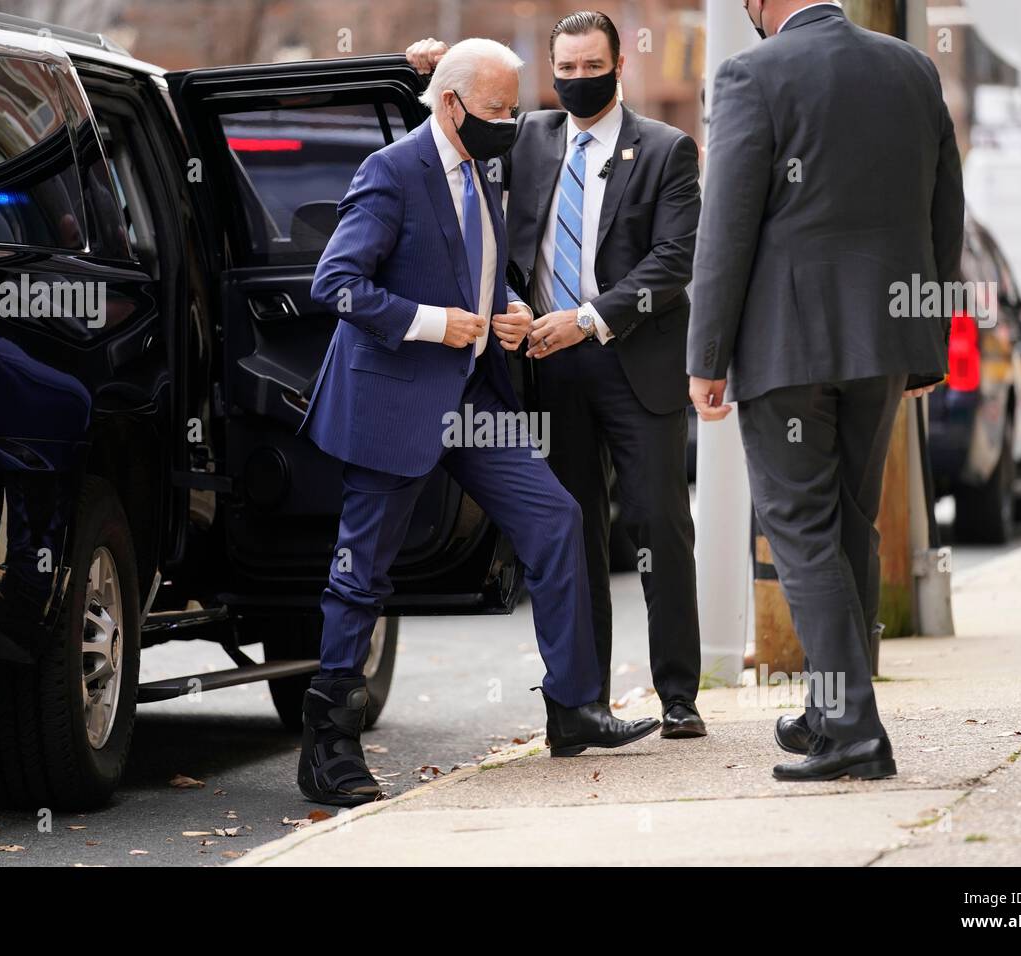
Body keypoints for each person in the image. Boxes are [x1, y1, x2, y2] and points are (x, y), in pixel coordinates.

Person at [297, 38, 660, 807]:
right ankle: (328, 746)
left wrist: (509, 312)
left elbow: (481, 271)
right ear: (453, 104)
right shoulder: (391, 172)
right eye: (496, 110)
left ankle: (573, 707)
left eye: (513, 107)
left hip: (472, 402)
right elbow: (336, 283)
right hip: (393, 400)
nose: (510, 122)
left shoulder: (486, 168)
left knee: (557, 517)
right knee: (362, 574)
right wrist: (437, 323)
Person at [406, 11, 706, 739]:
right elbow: (454, 139)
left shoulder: (667, 149)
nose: (577, 80)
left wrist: (591, 316)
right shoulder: (527, 137)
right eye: (564, 69)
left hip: (633, 358)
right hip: (547, 364)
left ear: (618, 64)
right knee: (571, 532)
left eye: (590, 67)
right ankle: (585, 699)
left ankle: (677, 695)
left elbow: (672, 262)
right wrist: (429, 75)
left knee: (657, 528)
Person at [687, 0, 964, 781]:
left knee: (802, 530)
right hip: (883, 339)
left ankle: (851, 729)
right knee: (848, 522)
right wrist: (926, 339)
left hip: (789, 342)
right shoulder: (911, 67)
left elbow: (727, 225)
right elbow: (946, 208)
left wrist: (705, 354)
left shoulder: (752, 72)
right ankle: (827, 706)